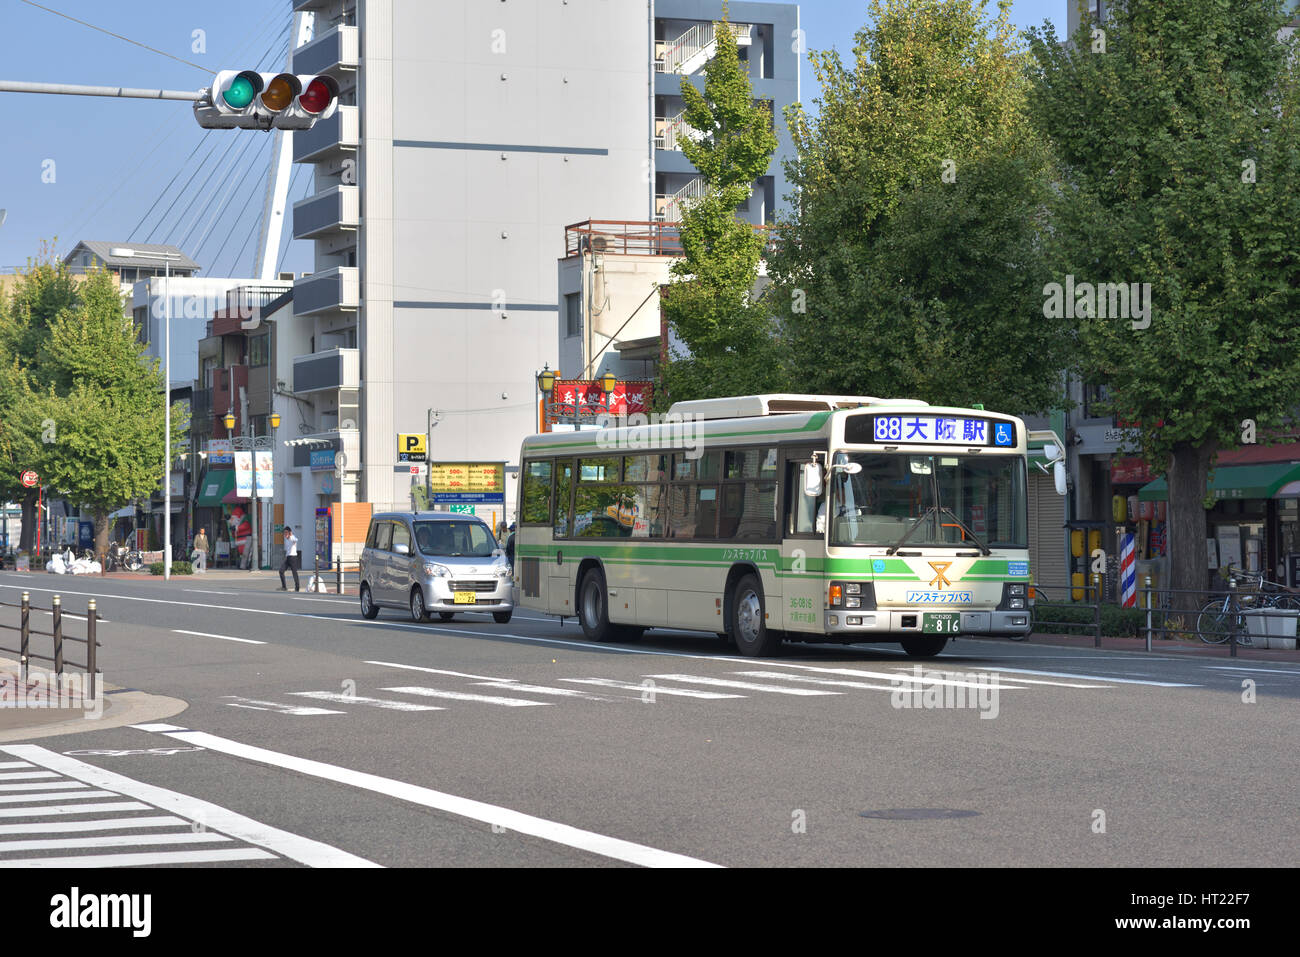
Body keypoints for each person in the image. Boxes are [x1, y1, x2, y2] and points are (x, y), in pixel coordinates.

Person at [279, 525, 301, 591]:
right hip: (288, 558)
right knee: (281, 571)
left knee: (294, 573)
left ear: (289, 532)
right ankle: (284, 587)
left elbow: (296, 540)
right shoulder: (286, 539)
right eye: (284, 532)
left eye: (286, 532)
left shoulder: (292, 538)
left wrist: (291, 536)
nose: (285, 534)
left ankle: (297, 588)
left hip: (293, 558)